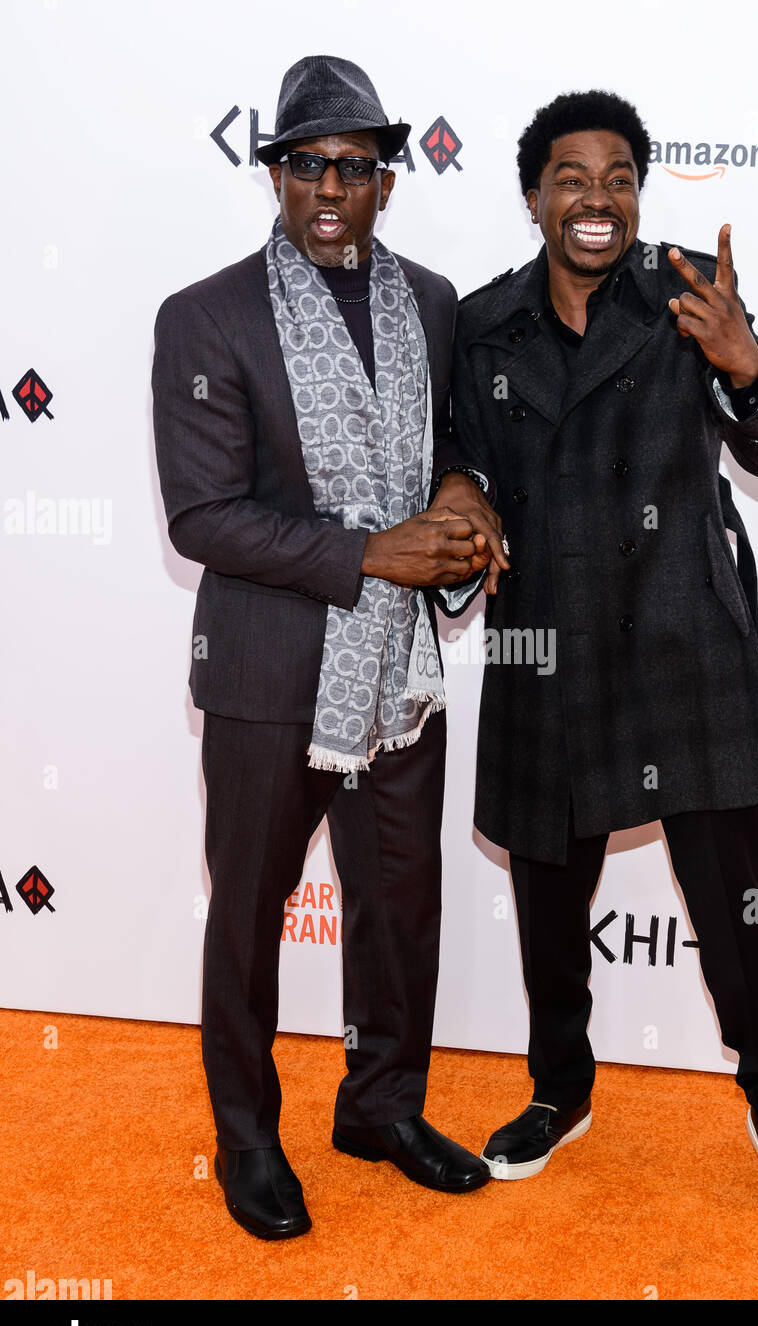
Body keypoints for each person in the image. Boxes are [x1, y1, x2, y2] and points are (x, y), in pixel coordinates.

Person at [450, 90, 758, 1235]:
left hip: (678, 645)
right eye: (571, 177)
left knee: (739, 917)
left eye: (618, 177)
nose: (596, 198)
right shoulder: (480, 326)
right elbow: (461, 460)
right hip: (544, 651)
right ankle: (557, 1090)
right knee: (545, 909)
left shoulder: (684, 298)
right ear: (532, 198)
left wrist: (746, 361)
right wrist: (462, 499)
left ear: (637, 194)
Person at [151, 55, 505, 1240]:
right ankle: (248, 1138)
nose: (329, 187)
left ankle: (381, 1107)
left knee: (400, 907)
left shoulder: (436, 303)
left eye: (354, 167)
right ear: (274, 172)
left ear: (386, 183)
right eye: (306, 163)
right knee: (248, 914)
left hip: (397, 675)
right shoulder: (205, 315)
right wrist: (371, 554)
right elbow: (203, 515)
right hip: (267, 678)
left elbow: (455, 442)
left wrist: (464, 496)